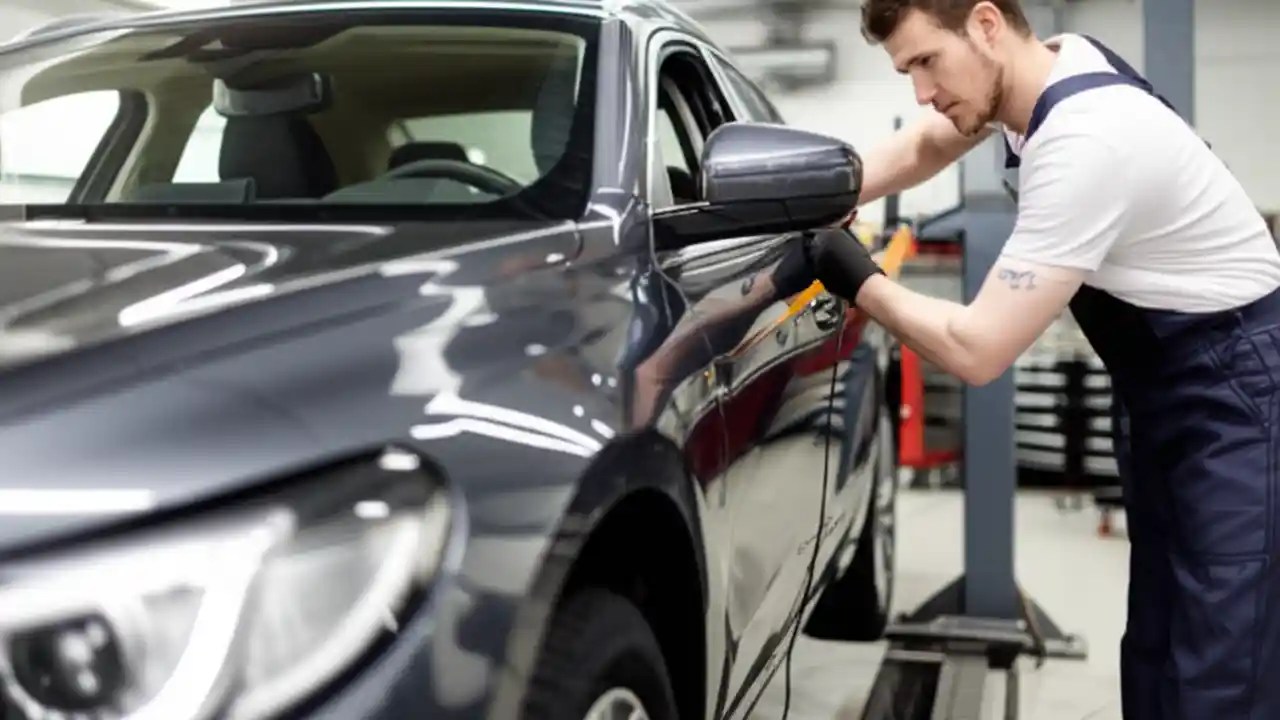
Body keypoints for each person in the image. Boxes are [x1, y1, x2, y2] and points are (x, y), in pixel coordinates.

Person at [799, 1, 1280, 718]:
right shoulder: (1053, 63)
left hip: (1240, 397)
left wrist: (858, 277)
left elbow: (978, 349)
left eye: (927, 62)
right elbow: (927, 145)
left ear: (987, 24)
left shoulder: (1087, 139)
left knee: (1222, 665)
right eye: (905, 72)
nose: (921, 92)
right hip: (1163, 388)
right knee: (1158, 640)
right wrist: (816, 194)